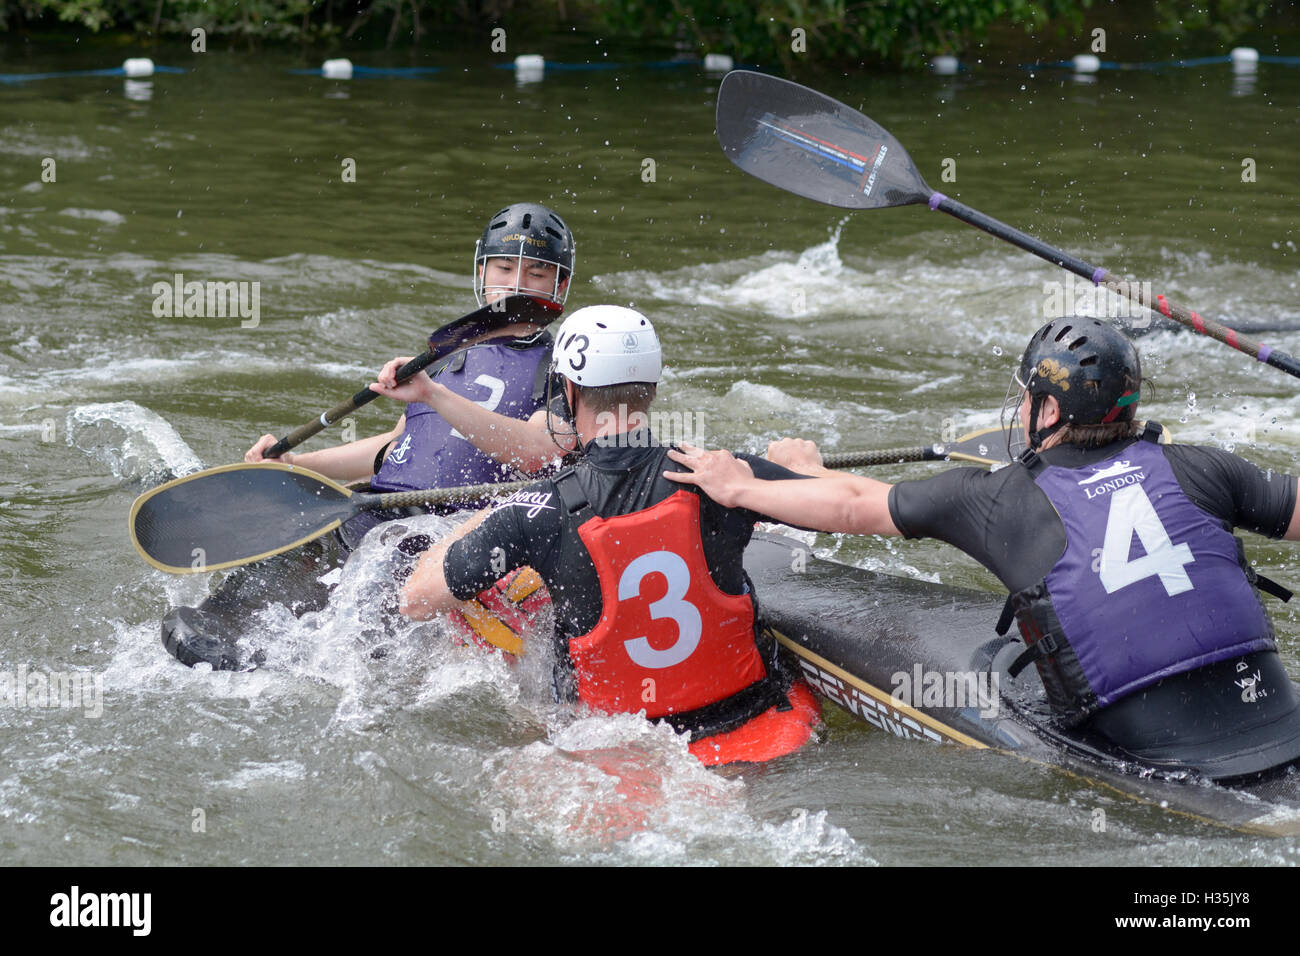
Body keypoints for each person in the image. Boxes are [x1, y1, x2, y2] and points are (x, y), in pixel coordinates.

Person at [666, 316, 1300, 780]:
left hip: (1160, 756)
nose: (1022, 406)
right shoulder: (1202, 468)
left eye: (1028, 395)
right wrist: (814, 472)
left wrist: (744, 485)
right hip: (1282, 725)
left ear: (1048, 411)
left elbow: (856, 506)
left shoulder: (999, 499)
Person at [399, 305, 821, 766]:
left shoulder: (536, 511)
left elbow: (417, 601)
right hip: (759, 725)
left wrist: (485, 520)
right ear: (652, 389)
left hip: (619, 752)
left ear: (569, 389)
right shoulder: (725, 476)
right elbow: (831, 505)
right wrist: (803, 469)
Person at [163, 202, 579, 669]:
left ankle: (312, 668)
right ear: (482, 272)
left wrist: (435, 394)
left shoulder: (564, 366)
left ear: (559, 285)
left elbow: (540, 450)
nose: (517, 283)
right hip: (375, 507)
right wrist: (296, 466)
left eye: (537, 273)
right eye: (504, 267)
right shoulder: (445, 355)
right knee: (267, 584)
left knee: (353, 625)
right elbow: (396, 447)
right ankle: (235, 638)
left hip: (450, 531)